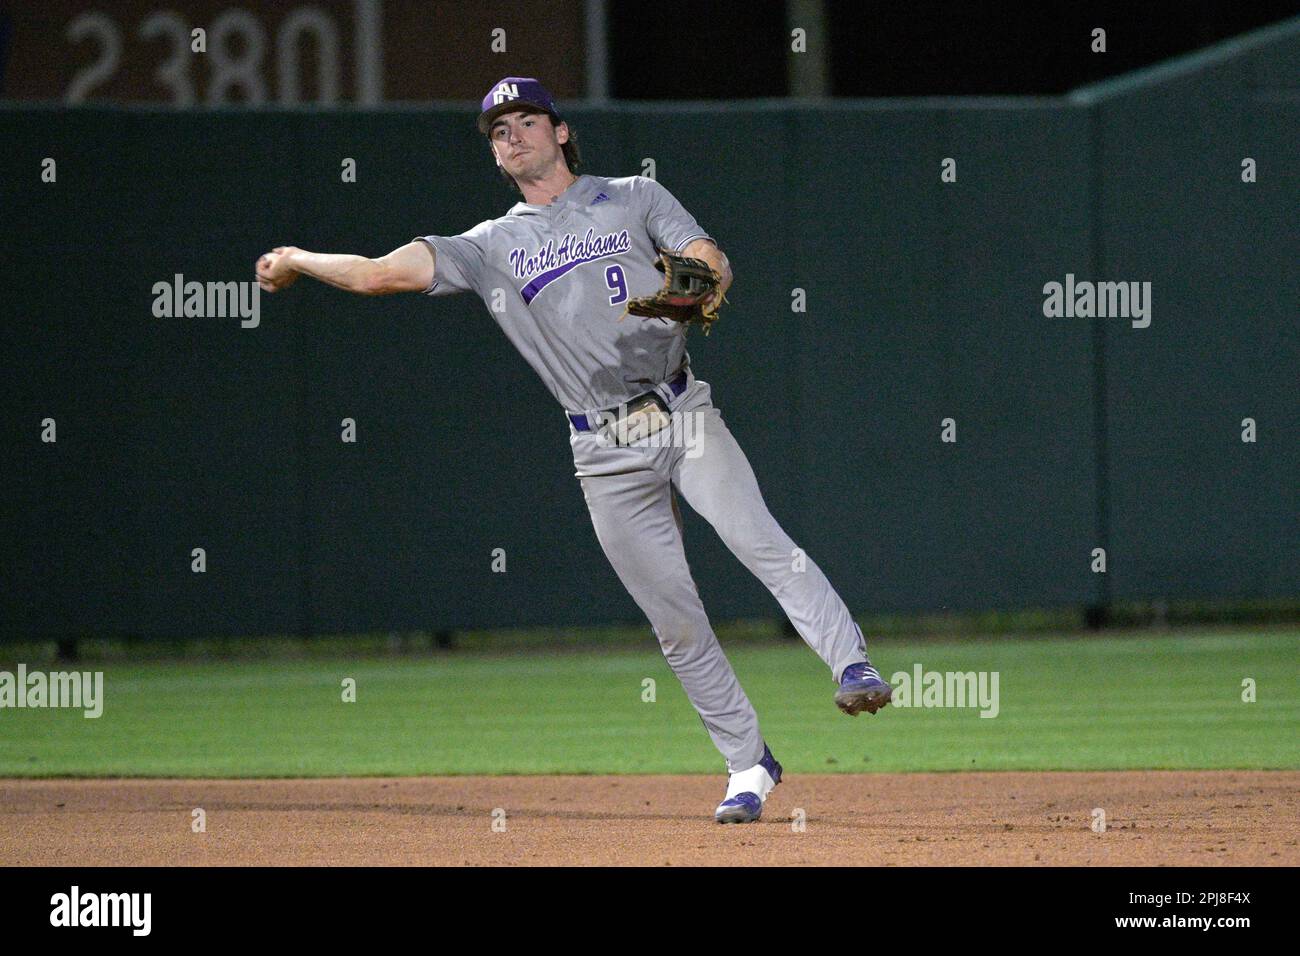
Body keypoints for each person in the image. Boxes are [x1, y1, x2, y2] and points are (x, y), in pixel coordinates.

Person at [255, 77, 891, 824]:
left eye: (527, 120)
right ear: (494, 156)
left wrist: (698, 282)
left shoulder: (633, 195)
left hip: (678, 412)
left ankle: (851, 662)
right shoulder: (489, 248)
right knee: (673, 618)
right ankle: (748, 764)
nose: (513, 135)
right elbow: (377, 275)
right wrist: (297, 257)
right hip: (601, 448)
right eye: (499, 131)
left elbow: (708, 257)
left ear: (560, 132)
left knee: (756, 539)